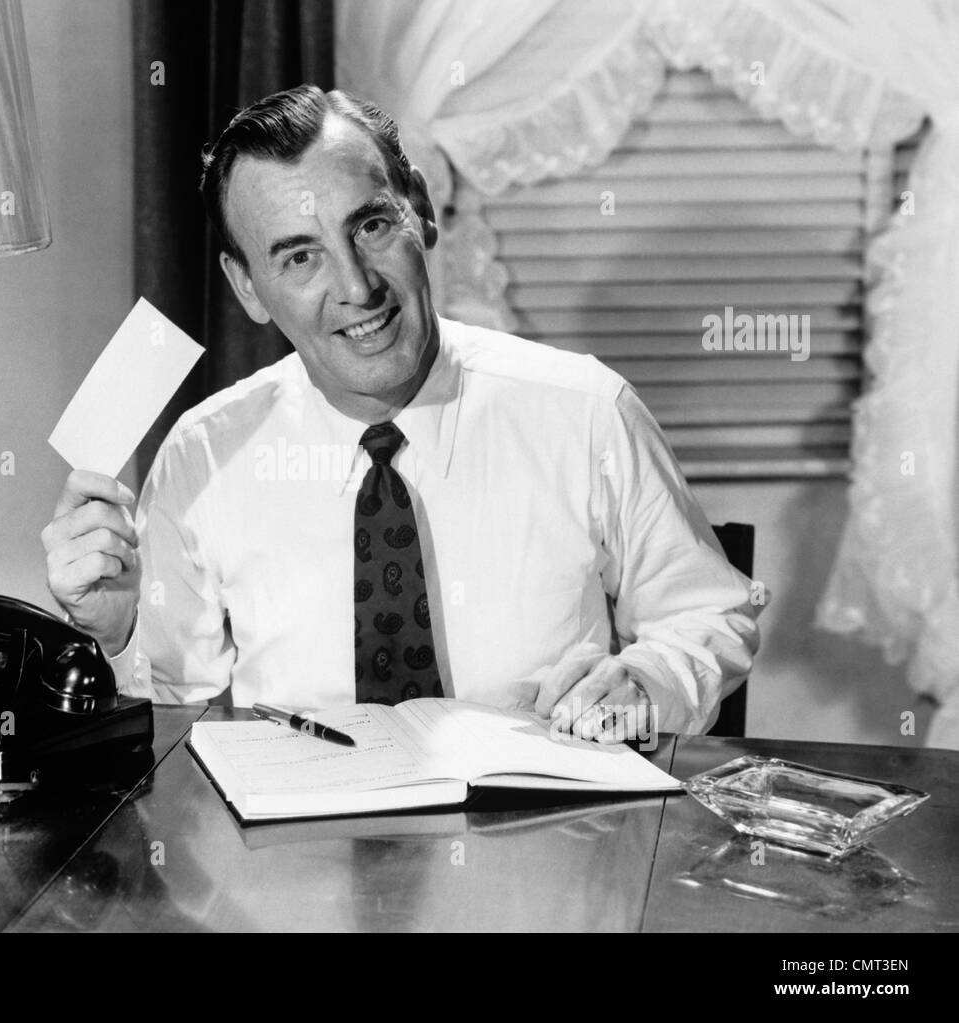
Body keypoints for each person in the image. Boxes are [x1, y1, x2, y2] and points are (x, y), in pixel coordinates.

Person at [42, 84, 760, 738]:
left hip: (546, 843)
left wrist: (647, 679)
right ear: (248, 288)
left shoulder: (588, 412)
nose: (355, 286)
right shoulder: (202, 456)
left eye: (372, 226)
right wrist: (120, 630)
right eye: (299, 258)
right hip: (297, 862)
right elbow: (179, 720)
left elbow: (706, 612)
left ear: (419, 207)